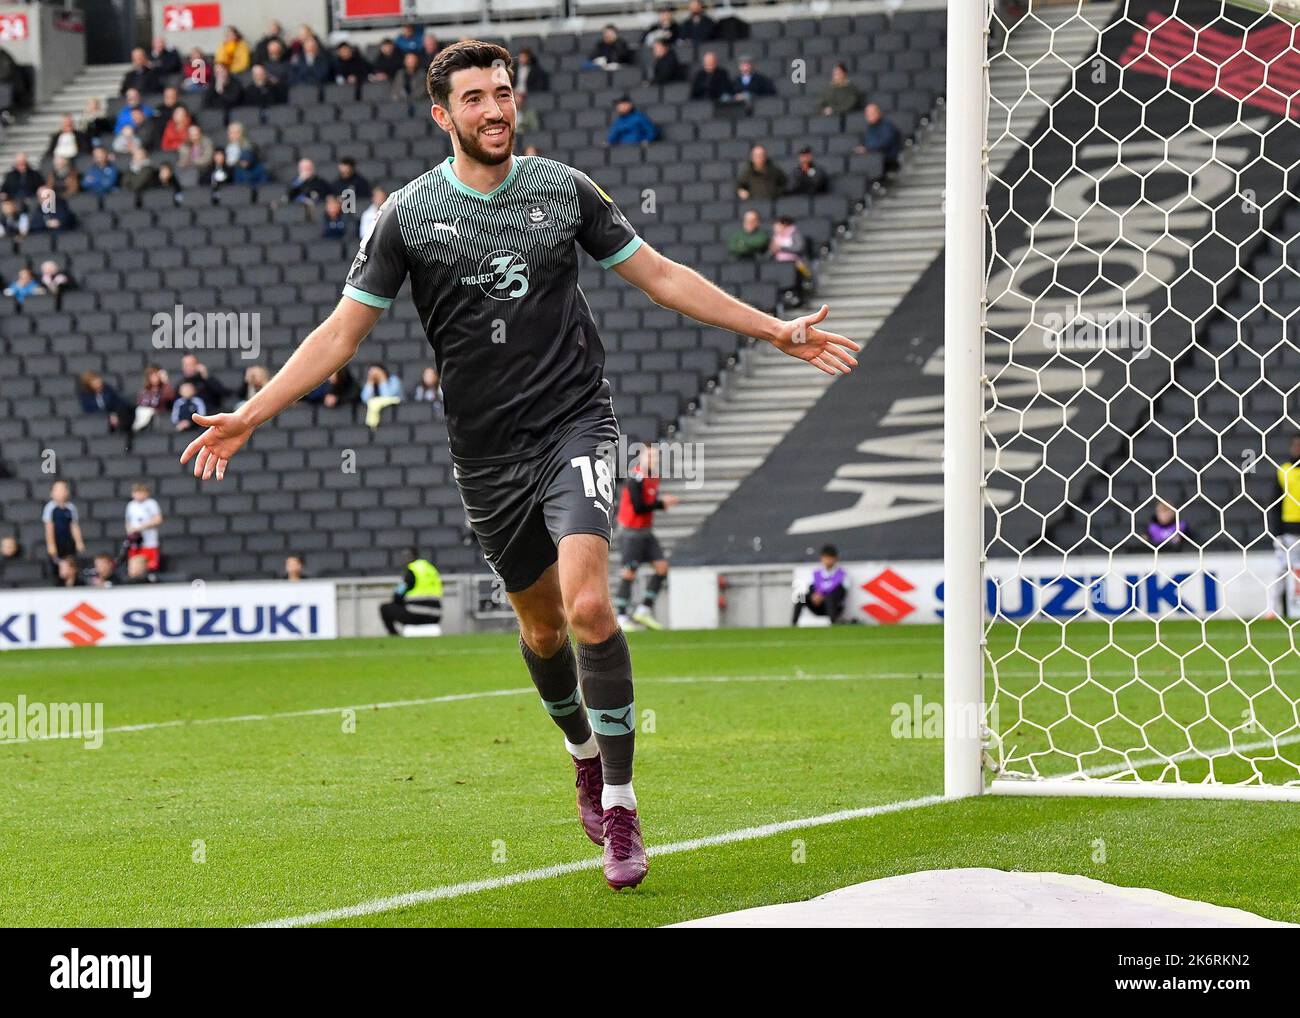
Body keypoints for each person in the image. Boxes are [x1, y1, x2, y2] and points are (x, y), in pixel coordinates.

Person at [178, 40, 857, 891]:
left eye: (503, 93)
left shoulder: (563, 190)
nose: (495, 109)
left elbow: (660, 276)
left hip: (576, 424)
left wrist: (773, 328)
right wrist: (251, 413)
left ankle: (620, 804)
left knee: (587, 606)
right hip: (487, 455)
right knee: (540, 629)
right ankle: (581, 753)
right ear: (442, 114)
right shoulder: (408, 216)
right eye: (475, 99)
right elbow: (340, 334)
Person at [615, 446, 679, 631]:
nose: (652, 458)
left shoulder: (653, 477)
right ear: (640, 457)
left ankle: (643, 610)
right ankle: (620, 615)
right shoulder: (635, 477)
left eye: (655, 455)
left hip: (645, 531)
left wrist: (659, 504)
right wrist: (662, 504)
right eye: (649, 455)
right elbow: (638, 507)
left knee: (661, 567)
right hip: (631, 532)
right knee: (629, 572)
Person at [380, 548, 443, 634]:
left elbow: (398, 595)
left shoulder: (412, 571)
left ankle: (394, 636)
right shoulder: (430, 568)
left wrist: (400, 602)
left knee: (384, 608)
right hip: (435, 615)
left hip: (415, 615)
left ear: (411, 556)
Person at [792, 545, 848, 624]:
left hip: (834, 606)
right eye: (826, 558)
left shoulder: (842, 574)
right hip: (817, 605)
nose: (828, 560)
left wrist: (823, 596)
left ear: (835, 559)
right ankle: (794, 624)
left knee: (830, 596)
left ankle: (833, 623)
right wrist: (813, 596)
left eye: (830, 558)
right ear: (821, 558)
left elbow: (842, 592)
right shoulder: (816, 573)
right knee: (800, 597)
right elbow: (811, 587)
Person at [1276, 435, 1300, 617]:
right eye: (1295, 445)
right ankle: (1276, 608)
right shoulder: (1283, 471)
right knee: (1284, 569)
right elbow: (1274, 502)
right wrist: (1276, 531)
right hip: (1289, 528)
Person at [42, 480, 84, 580]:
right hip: (57, 542)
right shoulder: (50, 508)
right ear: (52, 493)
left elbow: (74, 526)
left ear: (67, 492)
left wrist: (79, 542)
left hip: (68, 542)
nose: (61, 492)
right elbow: (49, 527)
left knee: (71, 565)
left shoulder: (71, 507)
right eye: (58, 490)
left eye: (63, 489)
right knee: (58, 567)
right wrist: (51, 544)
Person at [124, 482, 164, 573]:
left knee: (150, 565)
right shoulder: (131, 505)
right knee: (135, 566)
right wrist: (130, 534)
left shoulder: (151, 503)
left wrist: (141, 527)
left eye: (141, 492)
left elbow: (158, 519)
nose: (139, 495)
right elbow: (128, 522)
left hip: (149, 542)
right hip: (135, 543)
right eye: (137, 492)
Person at [859, 102, 902, 172]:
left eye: (872, 113)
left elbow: (885, 143)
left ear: (878, 113)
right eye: (867, 113)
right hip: (873, 158)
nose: (869, 115)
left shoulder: (887, 126)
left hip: (887, 160)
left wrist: (867, 149)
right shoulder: (869, 128)